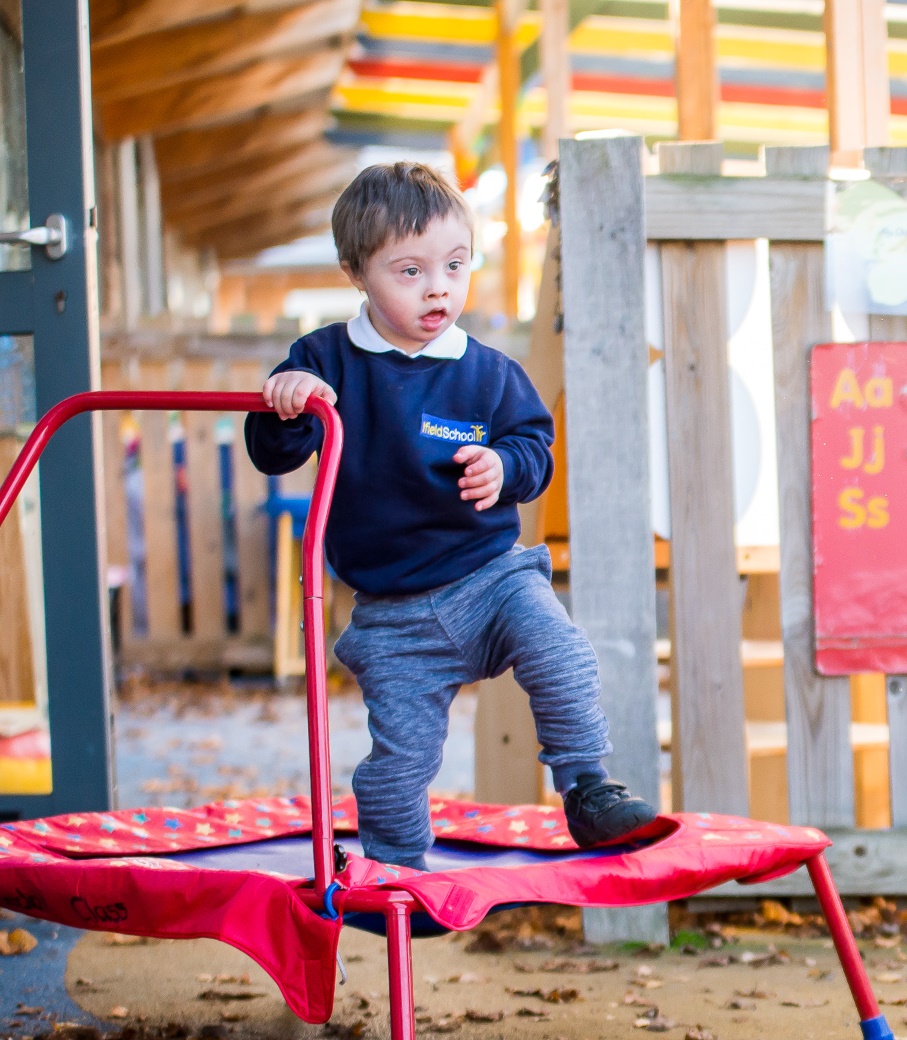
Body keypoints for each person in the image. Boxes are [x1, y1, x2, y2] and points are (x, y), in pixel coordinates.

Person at [244, 162, 666, 871]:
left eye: (455, 265)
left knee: (561, 651)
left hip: (493, 580)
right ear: (356, 272)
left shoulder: (489, 372)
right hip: (393, 614)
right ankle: (396, 868)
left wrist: (506, 468)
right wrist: (287, 400)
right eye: (409, 271)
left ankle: (587, 788)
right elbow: (274, 453)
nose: (439, 286)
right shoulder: (327, 360)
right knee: (400, 762)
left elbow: (536, 449)